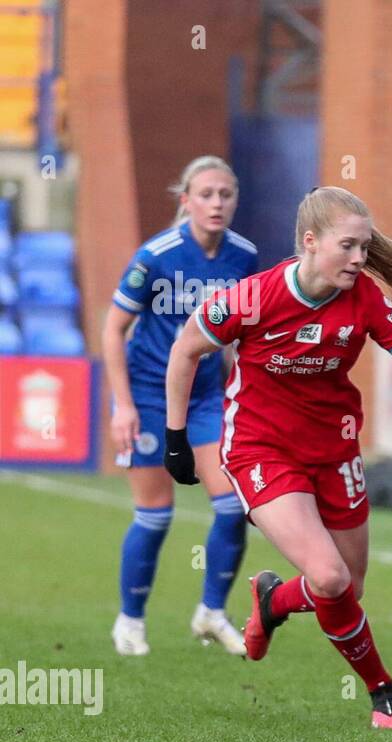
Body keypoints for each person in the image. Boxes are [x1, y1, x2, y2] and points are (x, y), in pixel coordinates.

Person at [164, 186, 392, 729]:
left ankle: (273, 603)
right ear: (310, 242)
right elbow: (186, 349)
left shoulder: (367, 299)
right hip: (261, 448)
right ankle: (384, 694)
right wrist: (175, 436)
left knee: (348, 590)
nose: (359, 259)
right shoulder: (252, 297)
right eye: (349, 246)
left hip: (334, 448)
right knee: (329, 579)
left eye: (365, 247)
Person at [103, 155, 258, 657]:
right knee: (155, 514)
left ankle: (211, 612)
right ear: (185, 200)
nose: (216, 203)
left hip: (206, 396)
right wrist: (122, 405)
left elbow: (241, 340)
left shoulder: (244, 258)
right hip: (149, 394)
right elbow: (112, 329)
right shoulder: (157, 255)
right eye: (206, 193)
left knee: (233, 506)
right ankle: (130, 620)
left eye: (225, 194)